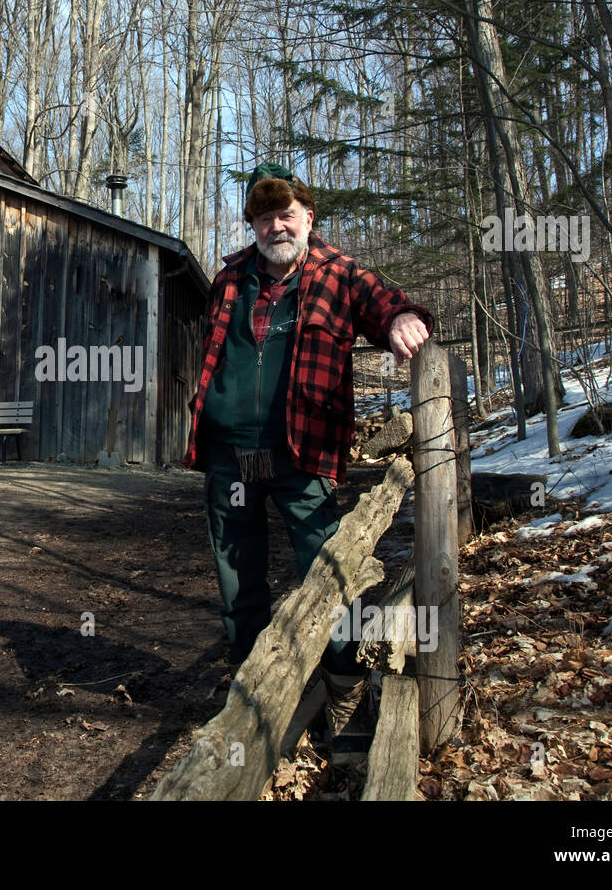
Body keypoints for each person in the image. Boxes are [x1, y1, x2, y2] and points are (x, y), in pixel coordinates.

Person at [182, 162, 435, 734]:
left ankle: (344, 692)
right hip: (231, 456)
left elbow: (391, 303)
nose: (276, 227)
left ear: (308, 217)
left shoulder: (339, 274)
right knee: (238, 576)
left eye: (286, 215)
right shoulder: (229, 279)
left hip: (302, 452)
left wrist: (400, 320)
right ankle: (250, 698)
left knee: (329, 570)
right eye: (265, 217)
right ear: (254, 224)